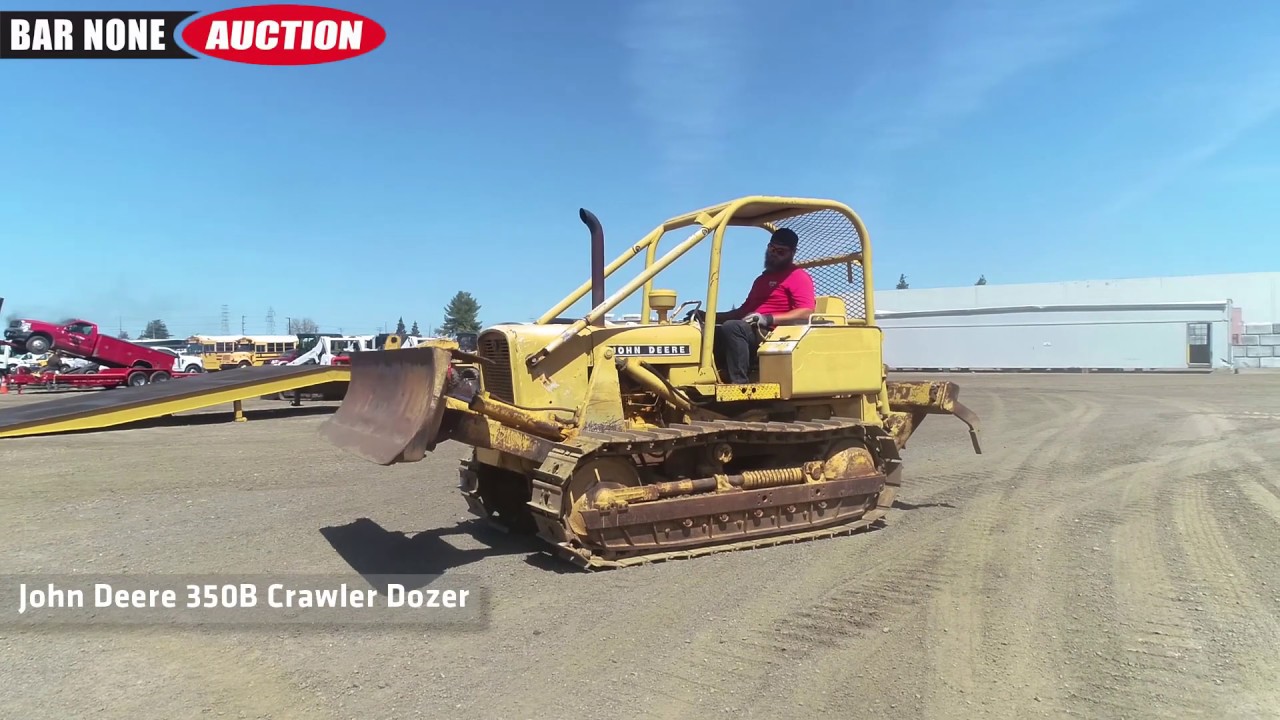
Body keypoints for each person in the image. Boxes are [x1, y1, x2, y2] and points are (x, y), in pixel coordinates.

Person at [698, 227, 815, 383]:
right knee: (710, 332)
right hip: (752, 329)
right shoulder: (761, 280)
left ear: (793, 253)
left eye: (781, 252)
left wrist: (767, 319)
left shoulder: (797, 276)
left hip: (775, 334)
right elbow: (742, 312)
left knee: (734, 328)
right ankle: (714, 377)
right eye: (772, 249)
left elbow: (807, 311)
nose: (774, 254)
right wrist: (708, 317)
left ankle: (739, 385)